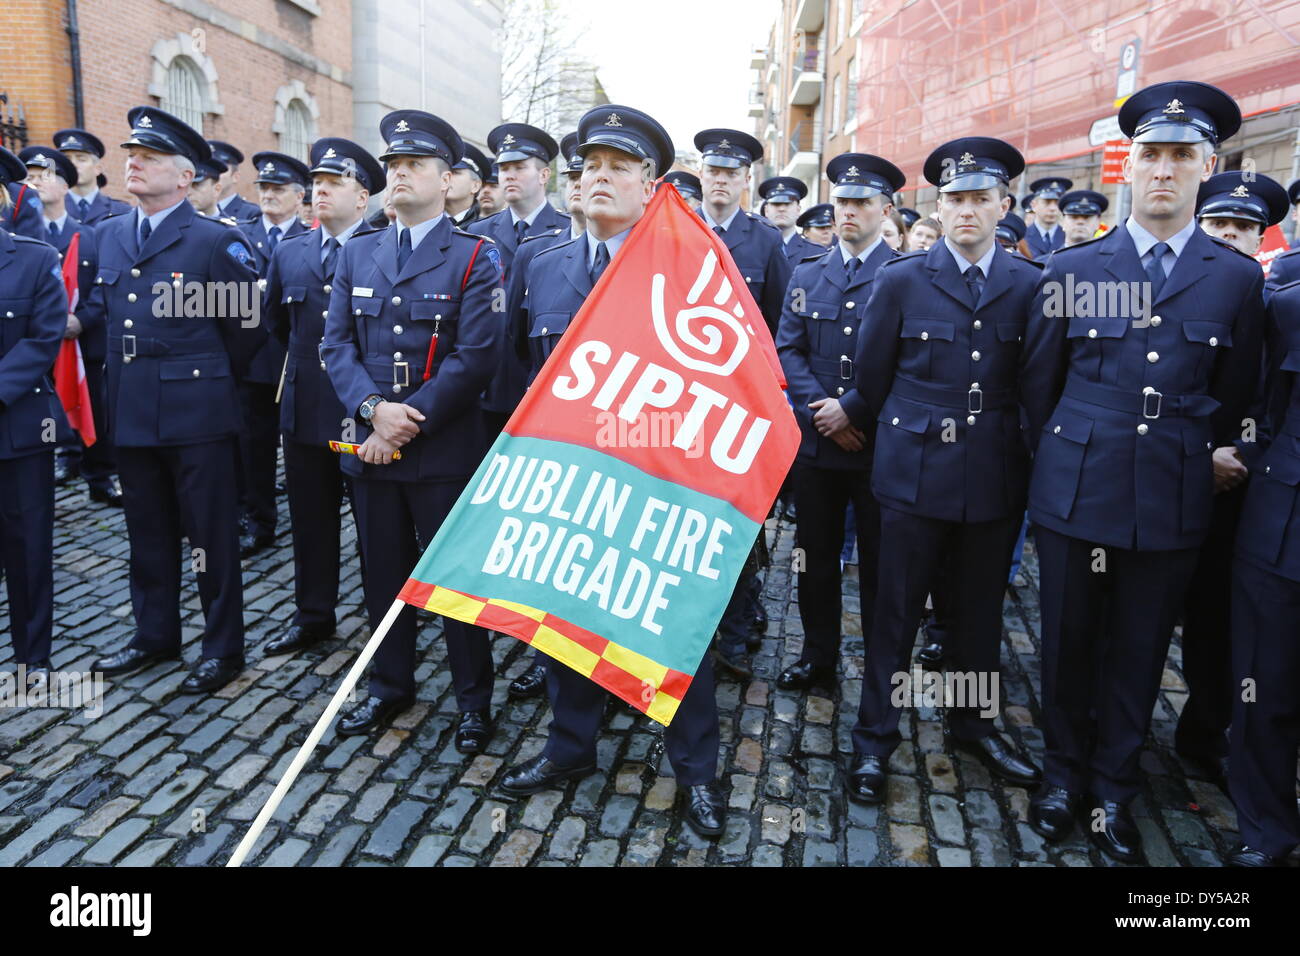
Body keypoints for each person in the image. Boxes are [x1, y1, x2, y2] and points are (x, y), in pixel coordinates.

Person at [1019, 82, 1265, 864]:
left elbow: (1237, 397)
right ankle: (1062, 776)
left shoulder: (1235, 278)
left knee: (1139, 649)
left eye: (1180, 156)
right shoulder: (1079, 265)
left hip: (1171, 492)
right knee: (1067, 642)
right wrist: (1059, 464)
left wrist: (1207, 452)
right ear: (1131, 166)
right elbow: (1037, 388)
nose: (1163, 170)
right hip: (1077, 484)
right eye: (1151, 154)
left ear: (1208, 164)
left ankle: (1116, 787)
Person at [497, 103, 727, 837]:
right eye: (589, 166)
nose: (599, 179)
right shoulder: (542, 265)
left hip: (662, 485)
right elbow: (514, 378)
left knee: (678, 629)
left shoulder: (690, 270)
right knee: (565, 619)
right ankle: (571, 747)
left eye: (617, 168)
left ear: (650, 183)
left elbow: (721, 386)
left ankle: (696, 773)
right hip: (570, 483)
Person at [844, 136, 1045, 806]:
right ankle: (875, 740)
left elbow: (1036, 384)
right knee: (894, 613)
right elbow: (871, 380)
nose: (966, 210)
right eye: (954, 198)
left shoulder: (1030, 283)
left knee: (977, 615)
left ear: (1002, 204)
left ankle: (971, 724)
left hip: (992, 474)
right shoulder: (902, 279)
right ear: (939, 203)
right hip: (912, 473)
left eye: (979, 198)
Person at [321, 109, 504, 750]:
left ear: (449, 178)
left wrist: (403, 424)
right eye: (393, 166)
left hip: (442, 451)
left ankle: (473, 699)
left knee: (454, 584)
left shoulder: (478, 258)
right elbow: (334, 346)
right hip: (370, 447)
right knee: (383, 575)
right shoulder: (358, 253)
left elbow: (475, 357)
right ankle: (389, 686)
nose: (399, 174)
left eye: (414, 165)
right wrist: (374, 411)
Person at [90, 107, 264, 693]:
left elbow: (246, 330)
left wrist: (201, 380)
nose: (133, 164)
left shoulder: (217, 242)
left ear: (185, 177)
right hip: (133, 411)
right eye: (132, 156)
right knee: (147, 531)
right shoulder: (109, 235)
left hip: (198, 415)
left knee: (209, 538)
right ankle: (154, 634)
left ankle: (221, 646)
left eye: (151, 158)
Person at [1167, 170, 1290, 790]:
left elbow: (1272, 400)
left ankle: (1203, 730)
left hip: (1239, 491)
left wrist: (1234, 450)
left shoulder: (1276, 308)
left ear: (1261, 239)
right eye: (1219, 225)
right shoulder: (1169, 294)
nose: (1230, 237)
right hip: (1166, 479)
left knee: (1217, 621)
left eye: (1243, 228)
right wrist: (1200, 451)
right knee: (1140, 611)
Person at [775, 152, 903, 694]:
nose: (849, 212)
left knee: (881, 565)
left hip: (879, 445)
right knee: (814, 557)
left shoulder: (905, 275)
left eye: (862, 203)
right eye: (843, 203)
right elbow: (788, 350)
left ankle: (880, 664)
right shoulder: (808, 274)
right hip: (818, 446)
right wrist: (823, 412)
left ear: (885, 209)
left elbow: (911, 361)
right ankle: (817, 652)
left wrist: (855, 410)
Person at [261, 137, 386, 657]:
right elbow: (274, 324)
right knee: (310, 524)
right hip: (307, 409)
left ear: (363, 198)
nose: (321, 192)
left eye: (335, 183)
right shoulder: (290, 253)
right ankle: (313, 614)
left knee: (377, 527)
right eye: (316, 183)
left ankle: (386, 620)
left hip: (364, 413)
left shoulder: (384, 248)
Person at [466, 121, 572, 699]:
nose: (507, 176)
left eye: (518, 168)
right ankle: (497, 616)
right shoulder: (478, 233)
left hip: (541, 406)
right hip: (488, 399)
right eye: (501, 168)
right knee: (497, 524)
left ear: (543, 174)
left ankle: (543, 647)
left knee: (542, 529)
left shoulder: (563, 232)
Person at [692, 127, 792, 680]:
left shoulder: (764, 242)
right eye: (713, 172)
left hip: (741, 412)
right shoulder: (679, 233)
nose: (722, 181)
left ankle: (734, 635)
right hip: (685, 408)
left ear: (746, 180)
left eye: (732, 173)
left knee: (737, 528)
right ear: (702, 176)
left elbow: (778, 329)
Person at [1225, 275, 1300, 866]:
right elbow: (1252, 404)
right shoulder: (1288, 307)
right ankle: (1268, 831)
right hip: (1282, 524)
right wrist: (1244, 455)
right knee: (1264, 686)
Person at [19, 145, 118, 506]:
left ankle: (101, 475)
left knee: (94, 406)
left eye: (43, 177)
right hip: (37, 347)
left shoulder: (89, 235)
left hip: (83, 343)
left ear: (64, 186)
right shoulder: (19, 239)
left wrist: (81, 319)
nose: (34, 184)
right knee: (42, 412)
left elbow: (105, 289)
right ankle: (56, 462)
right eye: (28, 178)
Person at [0, 146, 67, 676]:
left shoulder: (34, 257)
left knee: (27, 546)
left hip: (19, 426)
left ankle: (33, 655)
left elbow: (43, 339)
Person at [236, 152, 310, 558]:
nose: (268, 195)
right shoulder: (238, 235)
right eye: (263, 188)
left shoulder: (310, 238)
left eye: (278, 189)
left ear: (299, 197)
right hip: (252, 361)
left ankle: (311, 520)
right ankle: (259, 520)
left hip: (297, 362)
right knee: (254, 448)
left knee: (305, 451)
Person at [53, 128, 133, 226]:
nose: (73, 165)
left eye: (81, 159)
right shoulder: (48, 210)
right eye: (67, 160)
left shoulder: (121, 211)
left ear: (97, 168)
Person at [758, 175, 820, 263]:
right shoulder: (752, 249)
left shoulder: (816, 253)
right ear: (766, 210)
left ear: (798, 210)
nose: (781, 209)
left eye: (787, 204)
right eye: (776, 204)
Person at [208, 141, 260, 222]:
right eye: (210, 169)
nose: (213, 174)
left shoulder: (252, 214)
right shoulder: (197, 208)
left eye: (221, 170)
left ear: (235, 177)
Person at [1022, 176, 1072, 258]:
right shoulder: (1022, 237)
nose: (1053, 208)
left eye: (1057, 203)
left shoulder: (1069, 236)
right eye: (1047, 202)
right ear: (1034, 205)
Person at [448, 143, 491, 227]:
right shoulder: (420, 219)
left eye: (456, 172)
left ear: (475, 186)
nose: (447, 177)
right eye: (446, 171)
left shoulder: (485, 229)